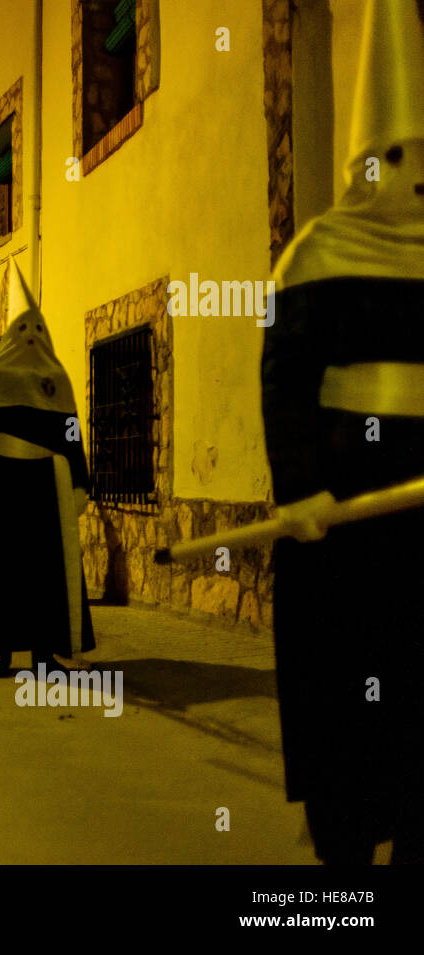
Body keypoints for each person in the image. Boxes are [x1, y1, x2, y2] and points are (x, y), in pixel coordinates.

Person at [262, 0, 424, 865]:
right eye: (404, 154)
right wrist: (302, 492)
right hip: (342, 525)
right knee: (348, 720)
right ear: (371, 159)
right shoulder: (319, 256)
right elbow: (285, 381)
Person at [0, 260, 93, 675]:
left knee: (44, 571)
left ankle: (44, 650)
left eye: (38, 328)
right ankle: (1, 649)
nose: (32, 337)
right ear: (9, 337)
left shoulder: (58, 380)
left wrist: (79, 481)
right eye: (24, 329)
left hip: (44, 486)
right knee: (2, 571)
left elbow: (71, 434)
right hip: (2, 484)